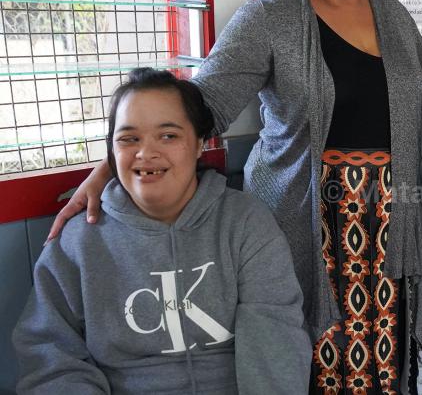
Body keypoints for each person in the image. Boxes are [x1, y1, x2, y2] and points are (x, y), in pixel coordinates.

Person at [48, 0, 422, 393]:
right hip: (306, 222)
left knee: (383, 358)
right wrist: (111, 167)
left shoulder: (394, 16)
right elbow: (195, 108)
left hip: (389, 224)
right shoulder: (269, 18)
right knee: (306, 354)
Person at [14, 68, 310, 394]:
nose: (146, 152)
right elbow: (52, 359)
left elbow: (276, 344)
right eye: (129, 139)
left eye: (168, 135)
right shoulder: (78, 241)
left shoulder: (246, 225)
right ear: (111, 152)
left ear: (199, 144)